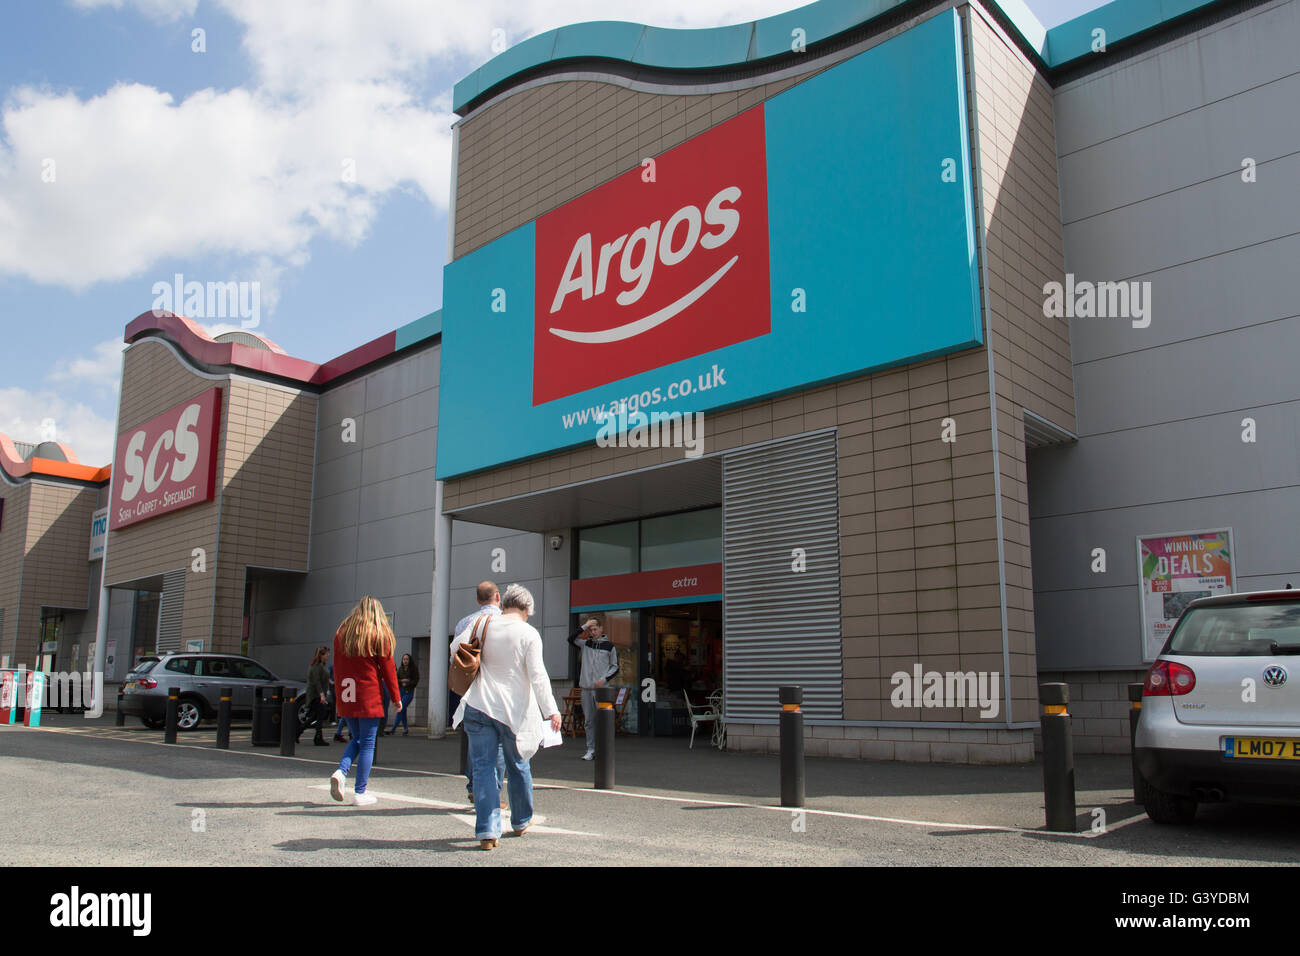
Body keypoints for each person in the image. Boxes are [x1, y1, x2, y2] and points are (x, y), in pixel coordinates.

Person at [452, 583, 561, 850]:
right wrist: (551, 710)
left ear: (504, 604)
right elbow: (538, 675)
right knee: (518, 764)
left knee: (483, 769)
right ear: (526, 609)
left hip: (478, 706)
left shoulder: (481, 623)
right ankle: (521, 820)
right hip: (514, 711)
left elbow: (456, 647)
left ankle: (487, 832)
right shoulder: (528, 633)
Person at [329, 596, 401, 807]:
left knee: (357, 738)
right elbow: (389, 670)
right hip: (368, 694)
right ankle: (359, 790)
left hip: (346, 694)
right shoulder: (378, 634)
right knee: (367, 742)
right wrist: (396, 698)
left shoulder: (342, 633)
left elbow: (337, 665)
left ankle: (342, 773)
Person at [451, 581, 506, 803]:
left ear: (477, 599)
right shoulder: (506, 622)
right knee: (500, 743)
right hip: (499, 691)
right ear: (498, 597)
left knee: (476, 740)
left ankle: (474, 786)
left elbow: (454, 657)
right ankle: (493, 792)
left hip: (472, 691)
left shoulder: (465, 622)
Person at [568, 615, 620, 760]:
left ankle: (603, 748)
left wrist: (603, 680)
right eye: (590, 630)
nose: (593, 632)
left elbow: (615, 667)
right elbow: (570, 639)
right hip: (586, 688)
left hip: (601, 690)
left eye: (595, 629)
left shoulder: (610, 646)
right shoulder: (585, 644)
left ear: (601, 629)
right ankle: (591, 748)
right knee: (589, 720)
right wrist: (584, 626)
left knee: (603, 720)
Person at [298, 645, 331, 746]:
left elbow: (323, 678)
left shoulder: (321, 666)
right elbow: (316, 681)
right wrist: (321, 695)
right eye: (326, 654)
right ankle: (318, 737)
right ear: (321, 655)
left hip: (319, 694)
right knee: (320, 715)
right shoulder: (316, 666)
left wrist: (330, 682)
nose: (328, 655)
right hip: (315, 695)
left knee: (314, 716)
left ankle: (298, 731)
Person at [386, 653, 419, 735]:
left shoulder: (413, 669)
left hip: (409, 691)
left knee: (401, 708)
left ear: (409, 660)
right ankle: (405, 729)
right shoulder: (400, 669)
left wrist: (408, 683)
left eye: (407, 659)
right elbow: (396, 679)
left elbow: (415, 680)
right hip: (401, 691)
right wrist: (402, 681)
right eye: (404, 659)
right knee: (403, 710)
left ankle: (393, 728)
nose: (405, 661)